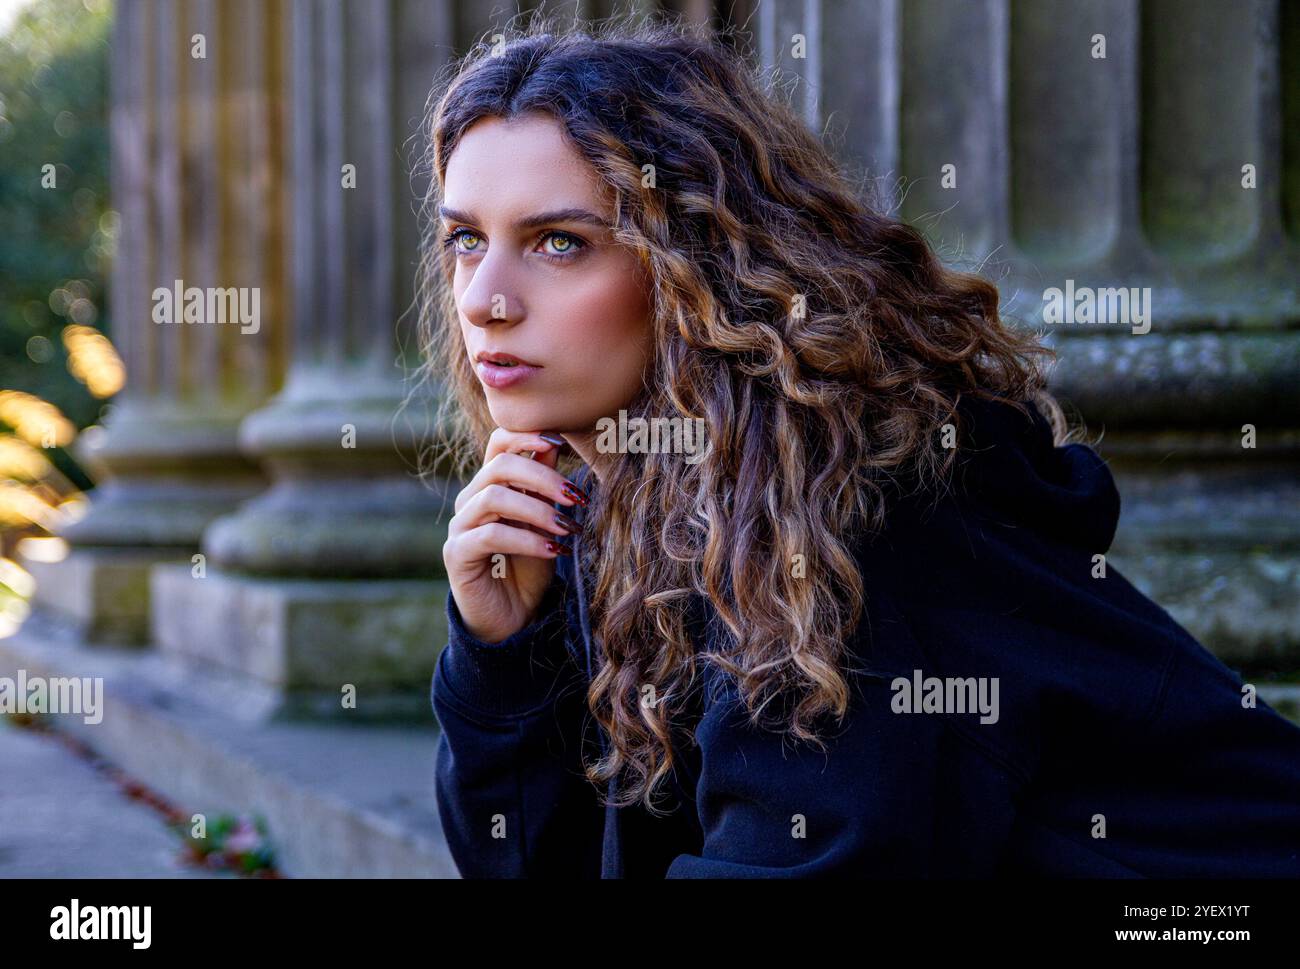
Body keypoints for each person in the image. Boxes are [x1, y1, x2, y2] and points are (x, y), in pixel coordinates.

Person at [415, 17, 1300, 878]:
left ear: (696, 267)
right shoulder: (628, 507)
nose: (485, 298)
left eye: (559, 242)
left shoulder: (840, 523)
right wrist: (502, 658)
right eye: (465, 239)